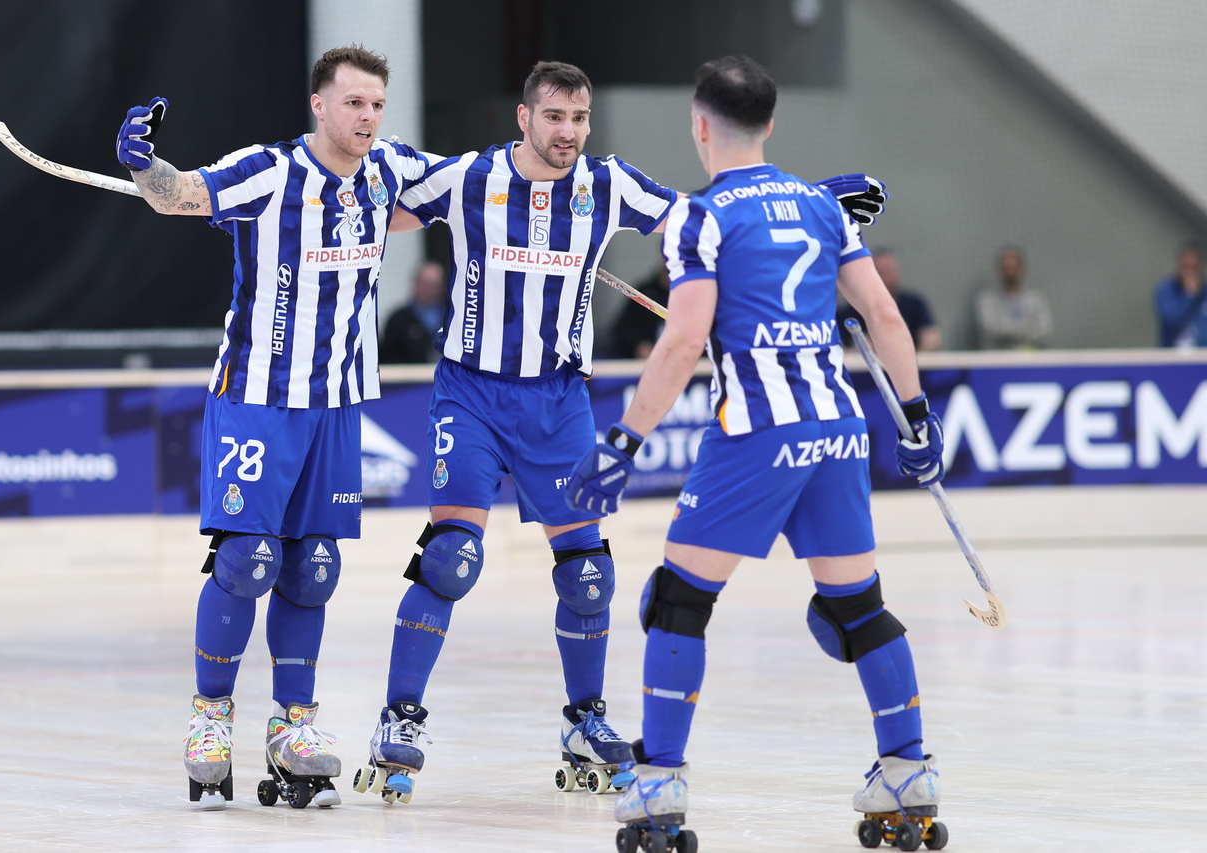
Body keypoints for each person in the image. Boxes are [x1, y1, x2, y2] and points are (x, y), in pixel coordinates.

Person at [351, 60, 889, 803]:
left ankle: (584, 719)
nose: (568, 133)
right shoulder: (469, 179)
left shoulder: (609, 186)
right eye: (554, 118)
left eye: (579, 119)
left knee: (588, 574)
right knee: (451, 558)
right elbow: (371, 197)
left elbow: (714, 218)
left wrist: (816, 202)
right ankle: (399, 715)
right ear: (524, 118)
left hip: (560, 400)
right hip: (471, 394)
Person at [565, 56, 945, 849]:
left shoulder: (701, 219)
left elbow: (681, 342)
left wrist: (623, 441)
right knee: (857, 607)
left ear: (699, 126)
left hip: (760, 433)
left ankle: (660, 780)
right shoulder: (823, 207)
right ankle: (907, 770)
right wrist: (913, 419)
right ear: (770, 124)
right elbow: (885, 317)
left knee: (677, 601)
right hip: (838, 429)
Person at [115, 44, 438, 810]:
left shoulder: (390, 170)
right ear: (320, 105)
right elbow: (179, 196)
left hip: (337, 399)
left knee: (313, 565)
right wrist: (141, 163)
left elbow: (471, 185)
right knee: (247, 559)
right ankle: (210, 718)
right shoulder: (270, 171)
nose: (367, 117)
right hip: (257, 394)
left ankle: (294, 725)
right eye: (353, 103)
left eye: (377, 105)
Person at [837, 249, 940, 351]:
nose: (885, 276)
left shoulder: (915, 304)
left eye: (889, 270)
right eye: (880, 271)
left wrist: (916, 361)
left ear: (898, 272)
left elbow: (931, 336)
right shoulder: (851, 310)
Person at [974, 246, 1052, 349]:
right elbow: (991, 330)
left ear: (1021, 269)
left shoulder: (1036, 300)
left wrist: (1013, 333)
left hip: (1031, 360)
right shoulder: (986, 301)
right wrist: (1026, 333)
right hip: (998, 361)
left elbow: (1044, 331)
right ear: (1000, 270)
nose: (1010, 273)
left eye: (1013, 267)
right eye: (1006, 268)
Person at [381, 261, 447, 363]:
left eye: (435, 285)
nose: (431, 290)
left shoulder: (454, 317)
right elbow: (388, 358)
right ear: (416, 283)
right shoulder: (398, 320)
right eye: (427, 284)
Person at [610, 260, 669, 358]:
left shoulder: (692, 296)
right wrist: (639, 345)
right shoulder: (644, 294)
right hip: (645, 360)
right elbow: (623, 328)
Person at [1154, 243, 1207, 348]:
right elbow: (1171, 319)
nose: (1189, 273)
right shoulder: (1166, 291)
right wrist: (1189, 295)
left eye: (1193, 267)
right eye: (1186, 267)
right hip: (1174, 357)